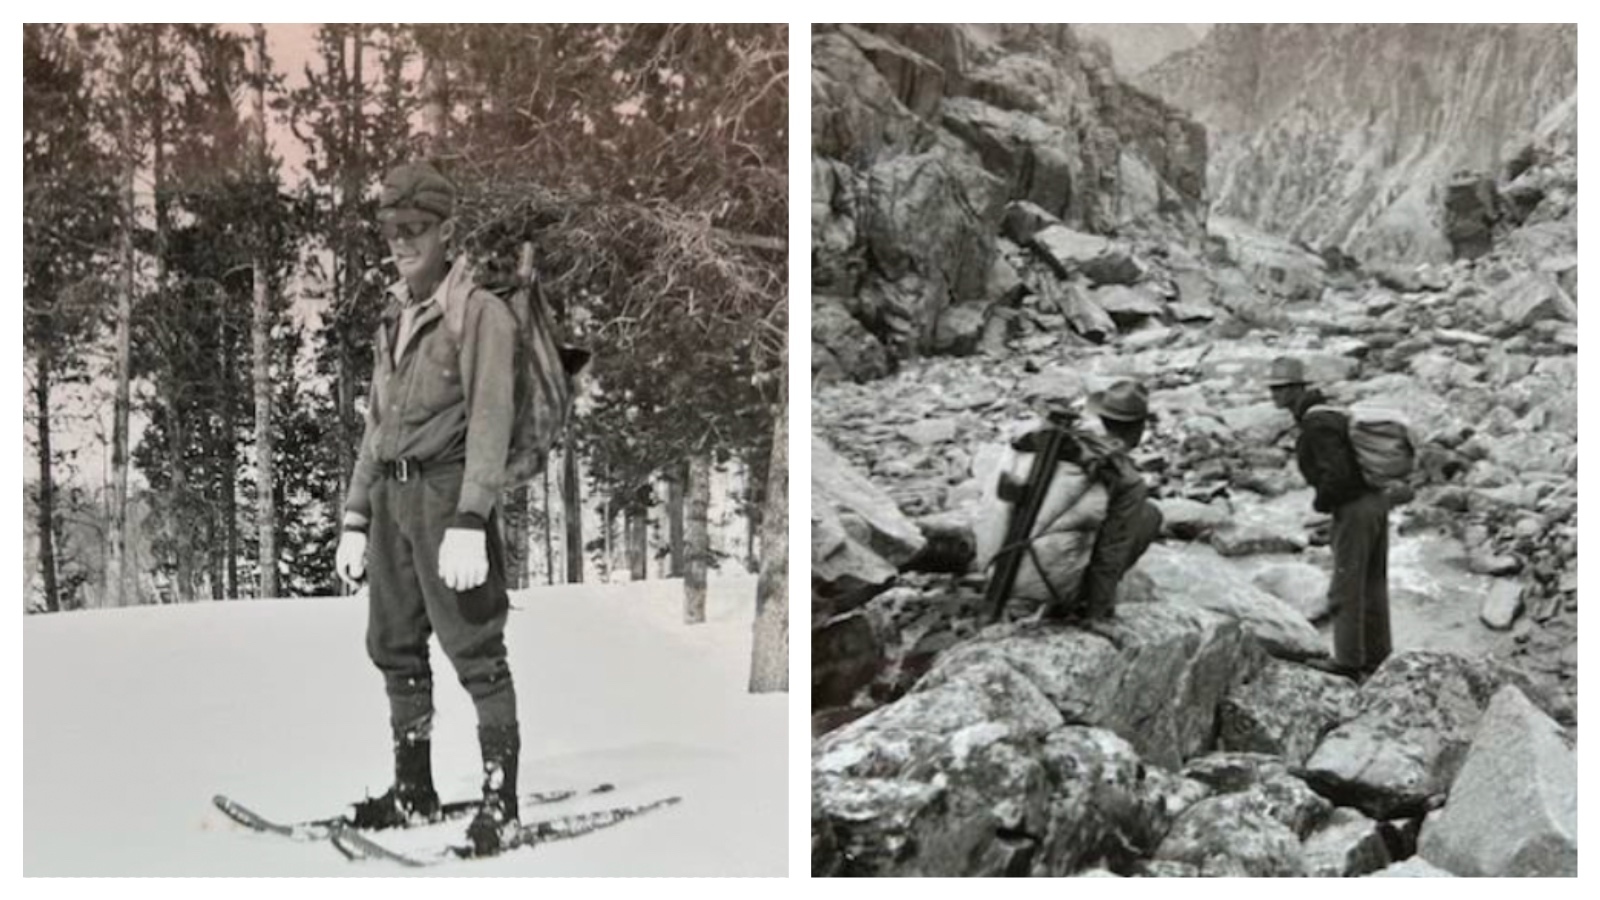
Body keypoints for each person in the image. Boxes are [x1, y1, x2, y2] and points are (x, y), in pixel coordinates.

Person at [333, 161, 523, 855]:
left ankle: (502, 805)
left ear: (447, 230)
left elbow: (492, 420)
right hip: (392, 496)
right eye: (392, 229)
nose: (403, 241)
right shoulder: (396, 315)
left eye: (416, 228)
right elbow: (377, 425)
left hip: (447, 497)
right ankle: (413, 790)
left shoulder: (480, 314)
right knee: (393, 645)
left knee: (475, 648)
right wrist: (357, 515)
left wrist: (472, 517)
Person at [1267, 356, 1392, 676]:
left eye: (1279, 388)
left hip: (1355, 508)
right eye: (1273, 388)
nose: (1273, 394)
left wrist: (1323, 504)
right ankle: (1378, 658)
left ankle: (1348, 662)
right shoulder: (1329, 412)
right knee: (1373, 583)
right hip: (1375, 502)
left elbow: (1337, 475)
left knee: (1344, 588)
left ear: (1296, 389)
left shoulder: (1316, 423)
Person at [1039, 379, 1163, 621]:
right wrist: (1098, 613)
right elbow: (1111, 551)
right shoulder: (1123, 477)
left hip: (1013, 566)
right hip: (1056, 584)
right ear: (1139, 428)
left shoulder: (1070, 445)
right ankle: (1078, 602)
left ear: (1104, 419)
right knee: (1149, 516)